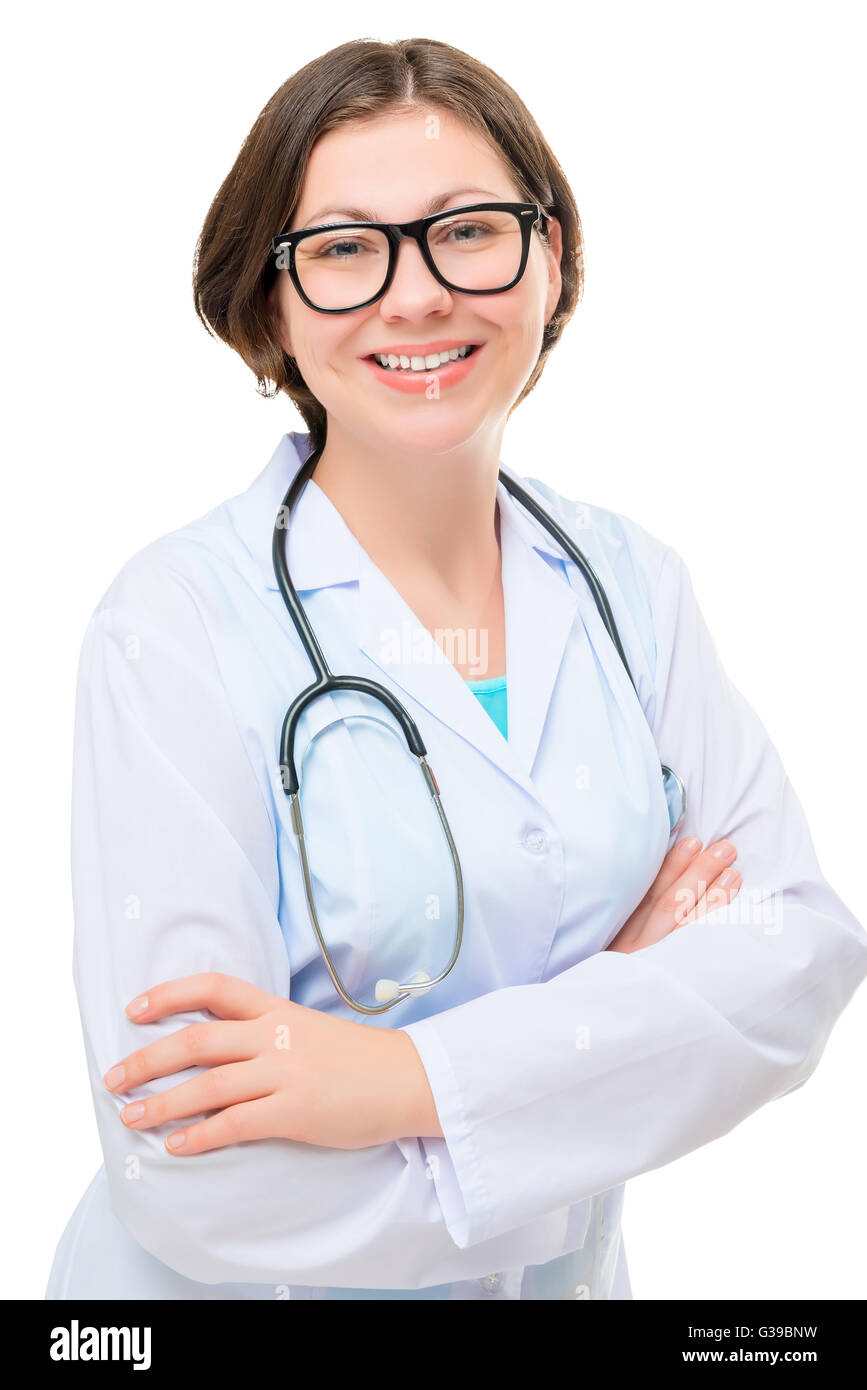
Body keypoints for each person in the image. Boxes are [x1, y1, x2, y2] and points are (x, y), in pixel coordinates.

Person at [46, 37, 867, 1301]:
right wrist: (613, 1030)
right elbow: (190, 1155)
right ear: (268, 301)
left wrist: (400, 1081)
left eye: (467, 230)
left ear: (550, 256)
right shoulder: (171, 626)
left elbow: (795, 956)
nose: (417, 294)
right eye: (341, 250)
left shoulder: (631, 586)